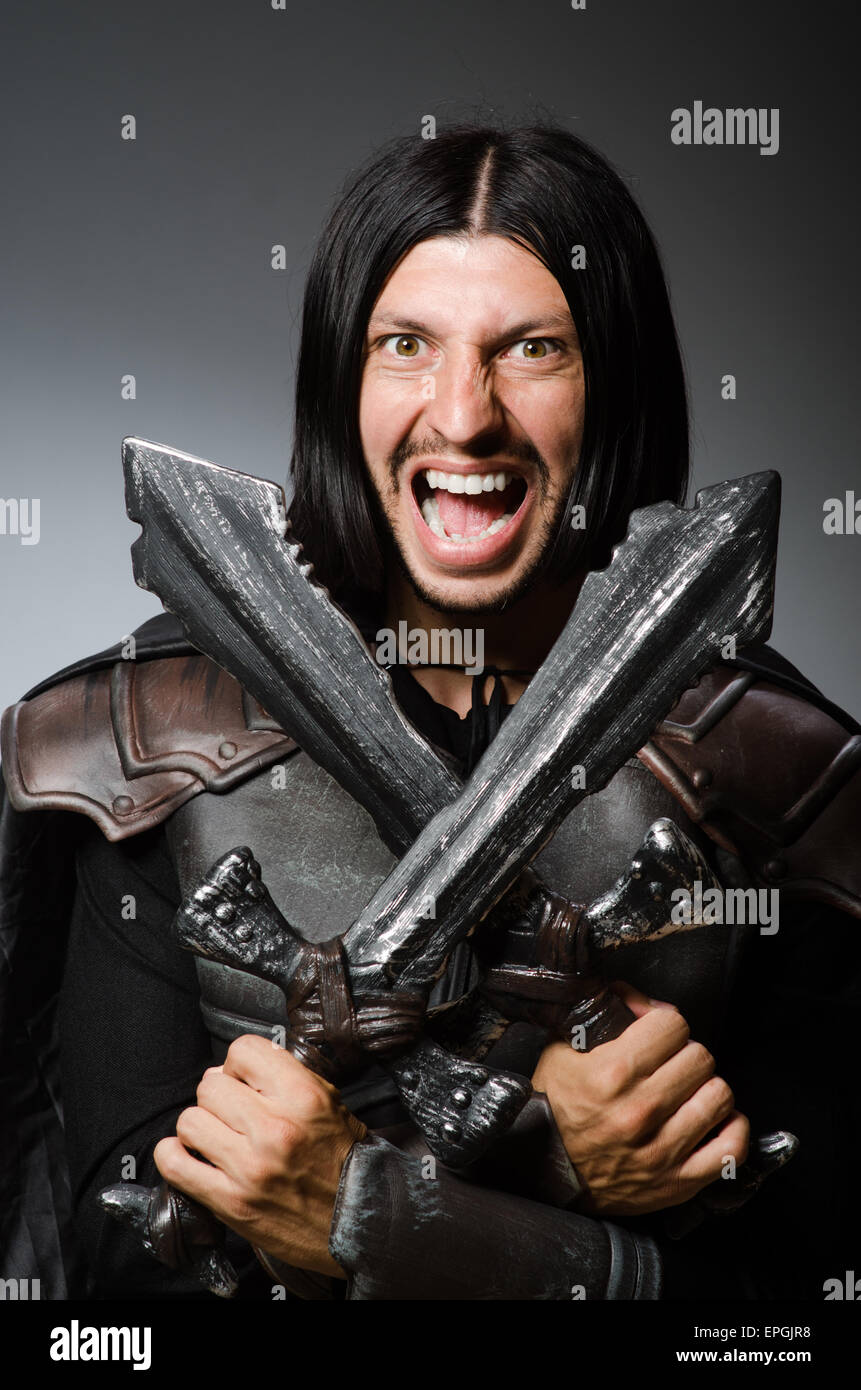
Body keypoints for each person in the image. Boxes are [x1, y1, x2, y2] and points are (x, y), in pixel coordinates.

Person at [1, 123, 858, 1302]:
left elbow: (797, 1317)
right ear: (342, 383)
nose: (463, 417)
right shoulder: (150, 740)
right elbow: (109, 1278)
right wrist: (539, 1162)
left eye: (534, 350)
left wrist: (376, 1210)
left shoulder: (775, 779)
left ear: (614, 389)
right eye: (406, 344)